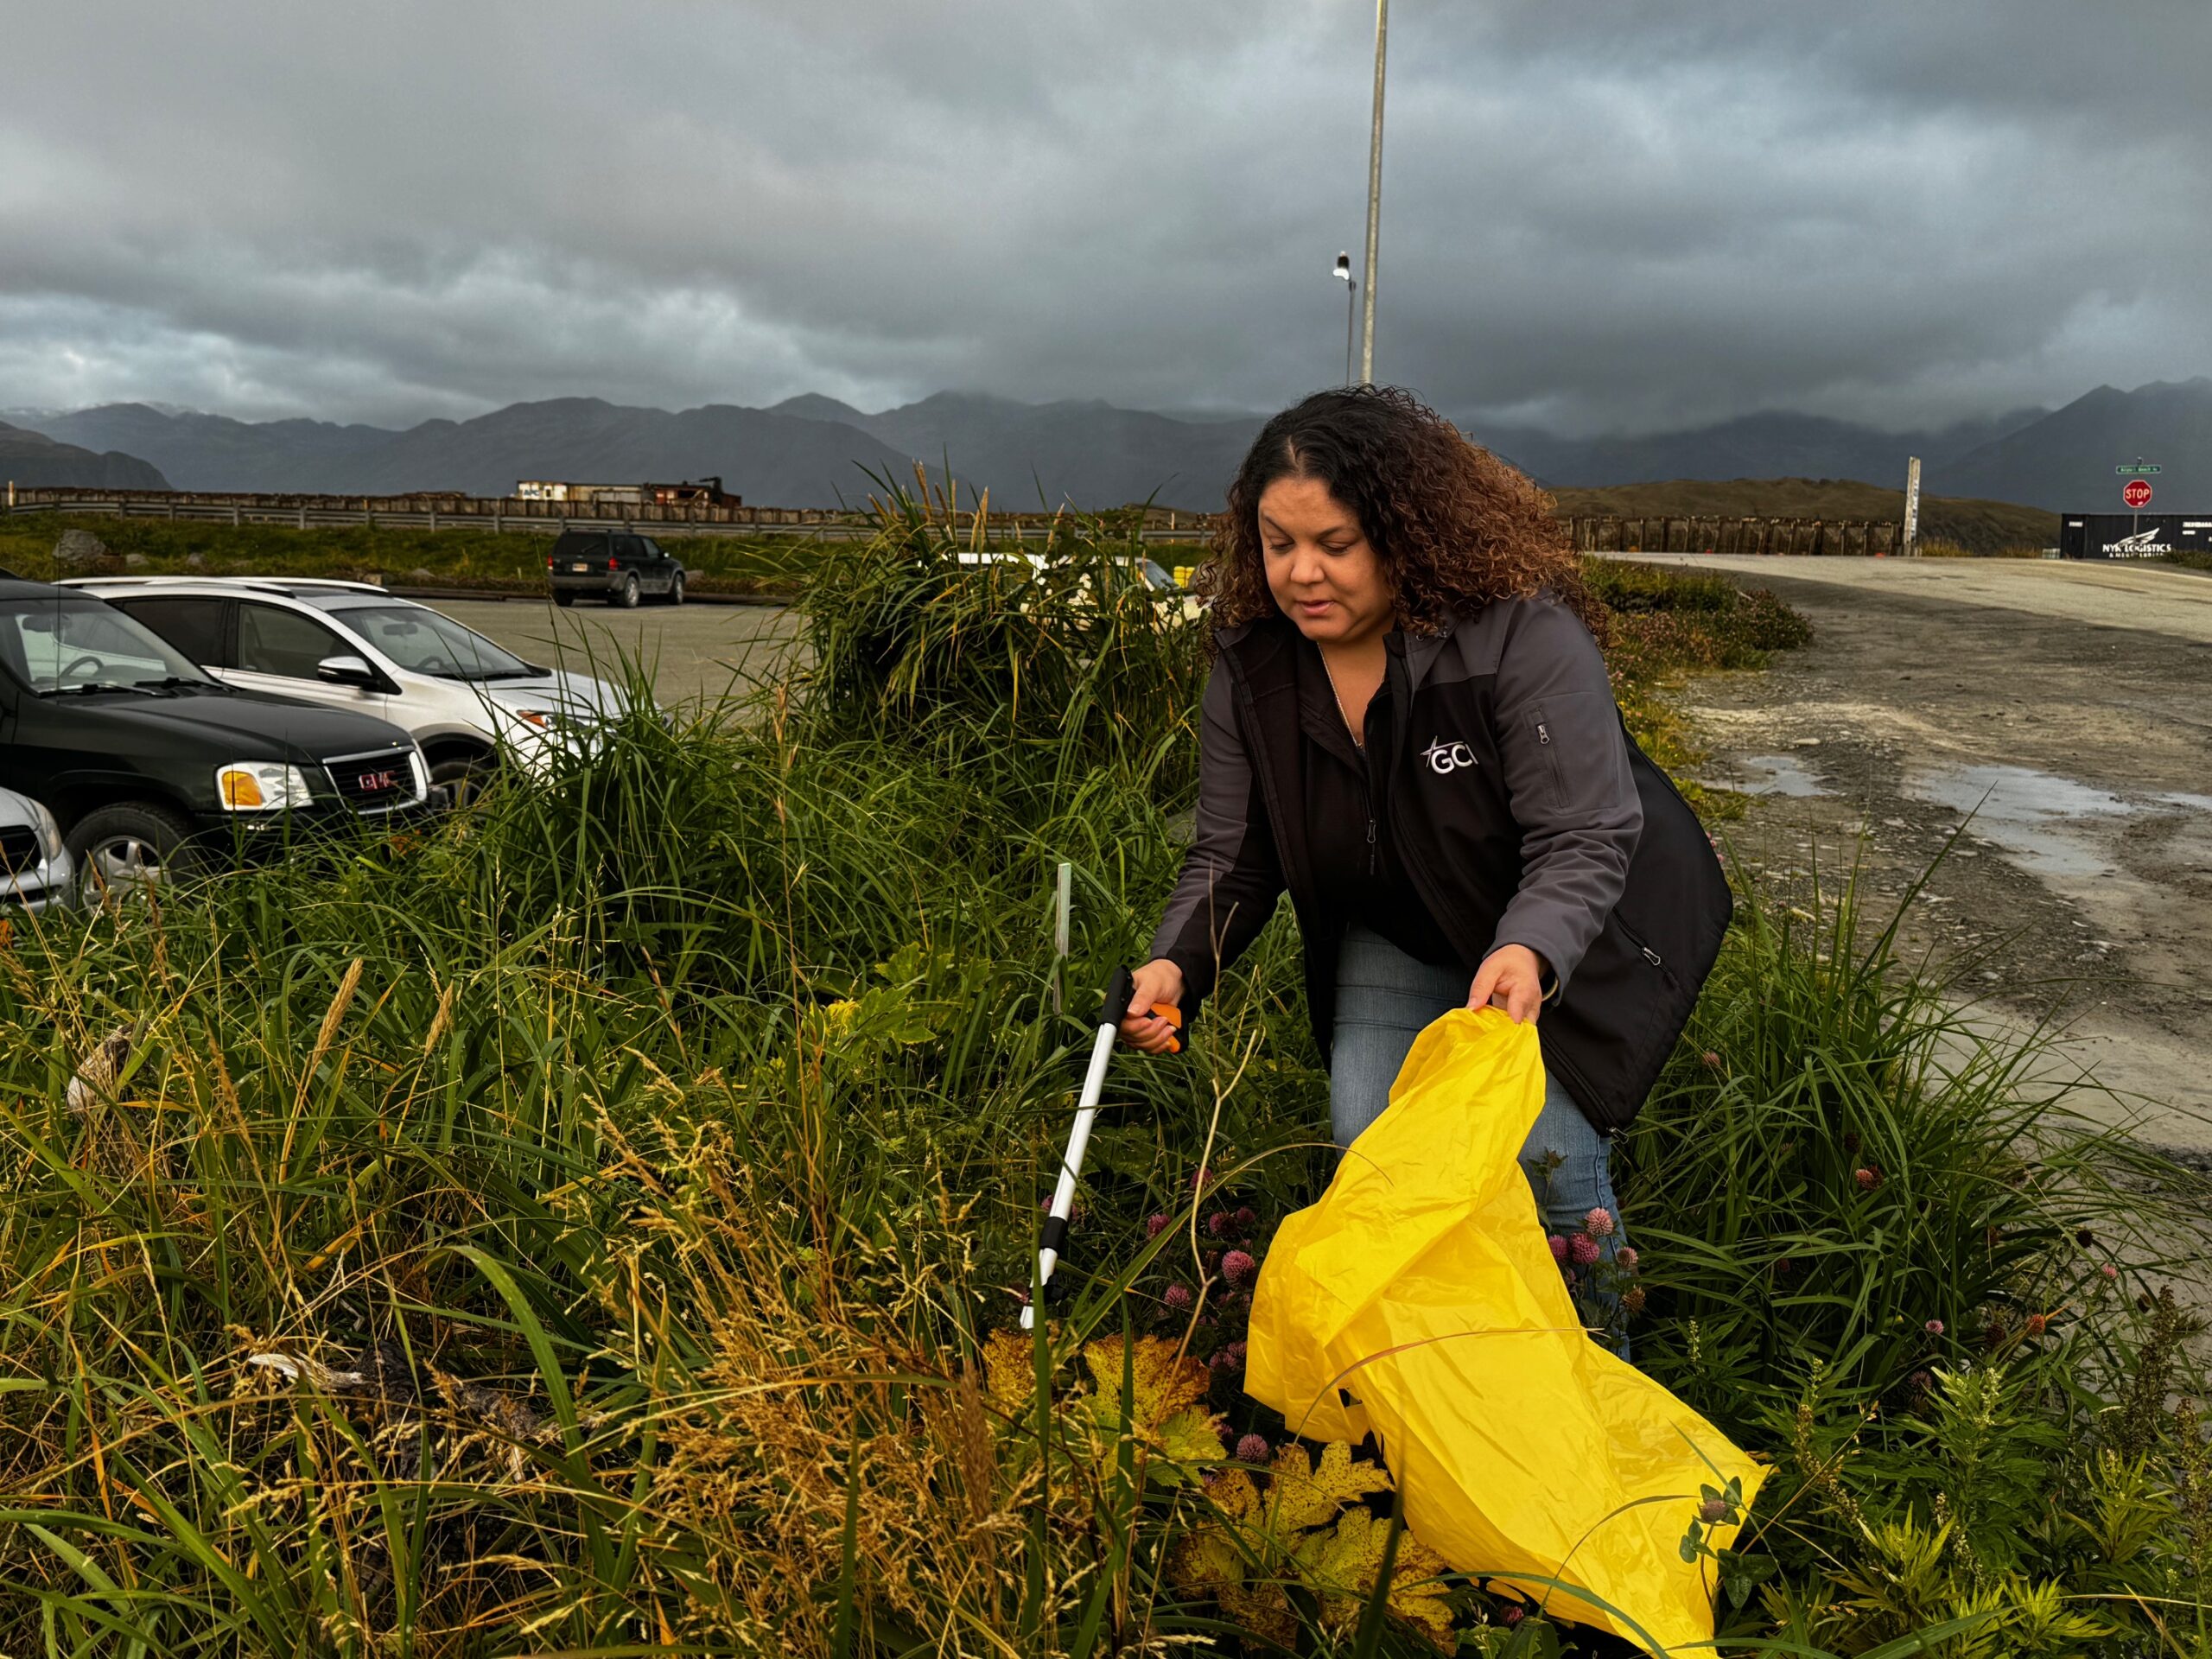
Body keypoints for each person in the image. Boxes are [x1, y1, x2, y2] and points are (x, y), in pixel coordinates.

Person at [1120, 386, 1732, 1340]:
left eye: (1335, 543)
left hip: (1556, 936)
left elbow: (1582, 834)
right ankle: (1432, 1374)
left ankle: (1600, 1366)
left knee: (1553, 1172)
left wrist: (1529, 949)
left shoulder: (1518, 636)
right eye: (1279, 545)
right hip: (1395, 933)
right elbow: (1232, 853)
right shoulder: (1252, 670)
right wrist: (1176, 965)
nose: (1302, 574)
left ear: (1403, 534)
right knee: (1372, 1154)